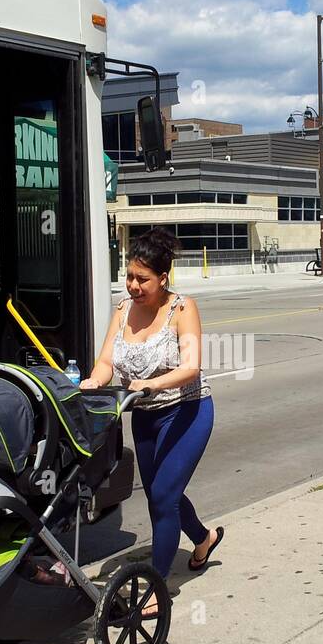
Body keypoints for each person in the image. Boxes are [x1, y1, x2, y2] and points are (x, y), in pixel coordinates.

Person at [82, 228, 220, 606]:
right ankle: (203, 537)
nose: (133, 285)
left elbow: (191, 366)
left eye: (142, 279)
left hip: (186, 412)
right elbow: (107, 360)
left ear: (163, 278)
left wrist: (151, 384)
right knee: (165, 495)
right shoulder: (123, 309)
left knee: (161, 496)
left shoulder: (182, 308)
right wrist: (93, 382)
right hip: (143, 416)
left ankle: (158, 587)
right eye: (129, 276)